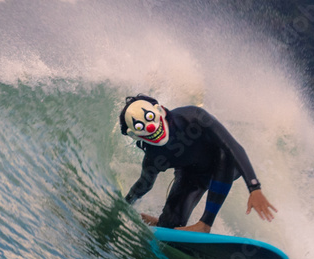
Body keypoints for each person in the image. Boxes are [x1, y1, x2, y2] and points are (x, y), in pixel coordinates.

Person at [119, 94, 277, 233]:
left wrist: (254, 188)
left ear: (159, 110)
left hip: (226, 165)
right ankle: (163, 222)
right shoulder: (154, 158)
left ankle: (205, 224)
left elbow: (233, 147)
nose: (151, 127)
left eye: (150, 118)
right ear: (135, 135)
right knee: (170, 226)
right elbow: (144, 184)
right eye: (141, 127)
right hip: (193, 176)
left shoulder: (193, 116)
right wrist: (124, 204)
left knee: (224, 153)